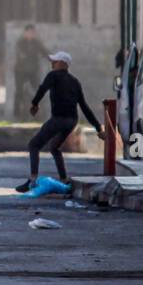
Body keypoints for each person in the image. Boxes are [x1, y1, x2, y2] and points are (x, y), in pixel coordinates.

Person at [14, 51, 104, 193]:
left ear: (63, 64)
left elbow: (42, 88)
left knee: (34, 145)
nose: (52, 64)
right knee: (54, 148)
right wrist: (99, 128)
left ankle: (32, 181)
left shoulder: (53, 76)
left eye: (54, 61)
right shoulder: (75, 81)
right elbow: (85, 107)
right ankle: (64, 179)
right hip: (72, 121)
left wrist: (35, 103)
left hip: (58, 119)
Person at [12, 24, 51, 120]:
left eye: (32, 33)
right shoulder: (20, 43)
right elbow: (20, 53)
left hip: (32, 71)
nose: (31, 34)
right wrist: (25, 56)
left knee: (38, 90)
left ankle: (37, 113)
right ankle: (16, 113)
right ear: (25, 33)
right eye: (29, 32)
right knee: (19, 91)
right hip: (20, 70)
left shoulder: (36, 43)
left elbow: (45, 52)